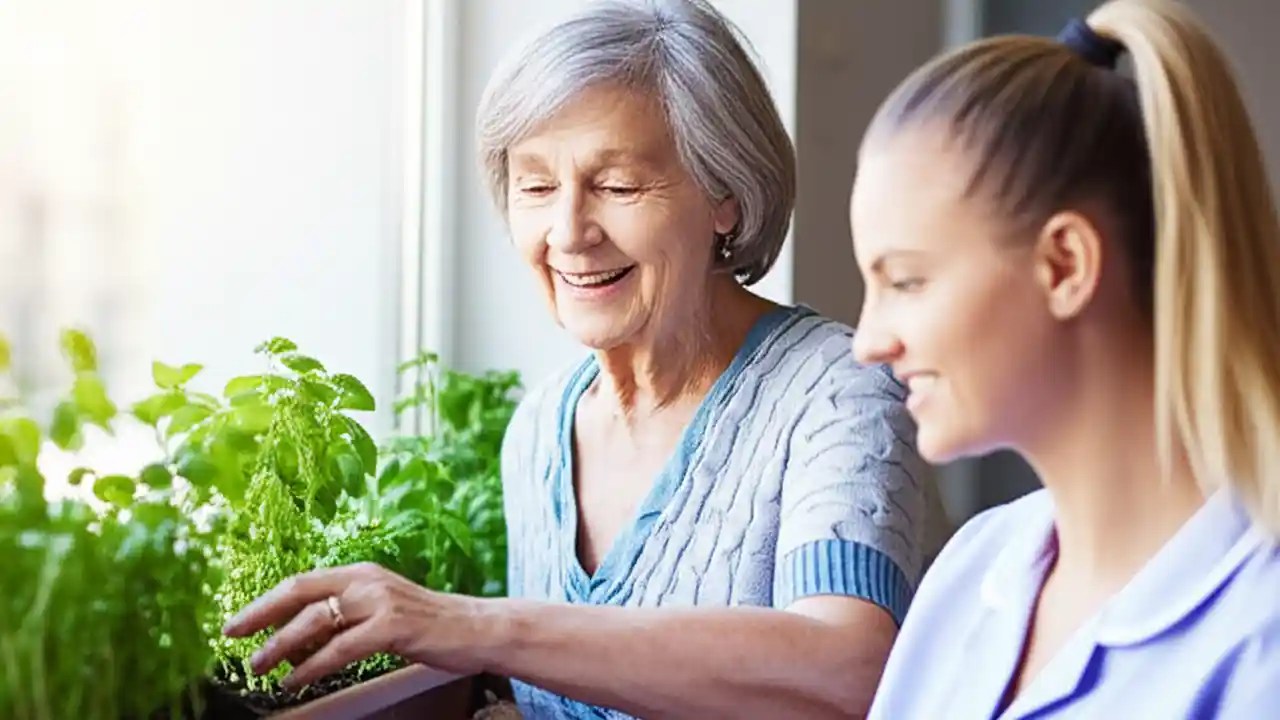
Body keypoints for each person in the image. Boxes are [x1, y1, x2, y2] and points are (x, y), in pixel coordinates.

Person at [223, 1, 935, 718]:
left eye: (618, 186)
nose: (568, 233)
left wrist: (474, 625)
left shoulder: (836, 392)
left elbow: (850, 672)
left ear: (725, 194)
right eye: (535, 187)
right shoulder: (537, 435)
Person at [847, 0, 1280, 717]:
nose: (869, 341)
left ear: (1065, 264)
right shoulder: (970, 570)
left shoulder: (1259, 633)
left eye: (907, 281)